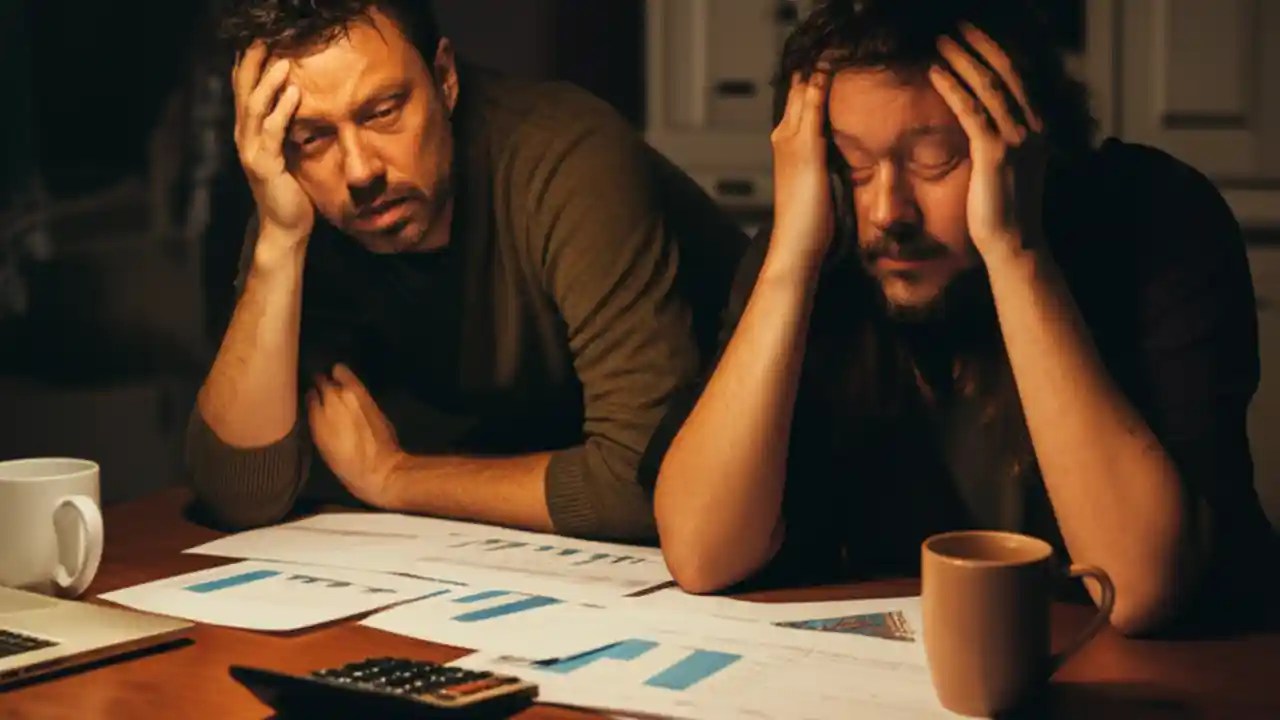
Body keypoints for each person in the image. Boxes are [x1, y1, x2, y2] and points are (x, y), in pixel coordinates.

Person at [643, 0, 1276, 636]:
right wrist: (788, 261)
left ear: (1028, 143)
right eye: (854, 166)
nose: (889, 211)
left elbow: (1140, 588)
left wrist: (1016, 252)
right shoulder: (818, 247)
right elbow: (703, 553)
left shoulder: (1157, 219)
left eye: (935, 160)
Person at [186, 0, 746, 540]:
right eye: (313, 137)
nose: (359, 171)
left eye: (383, 112)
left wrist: (395, 477)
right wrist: (279, 241)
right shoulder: (299, 202)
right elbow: (239, 493)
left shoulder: (567, 159)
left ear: (445, 78)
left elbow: (645, 484)